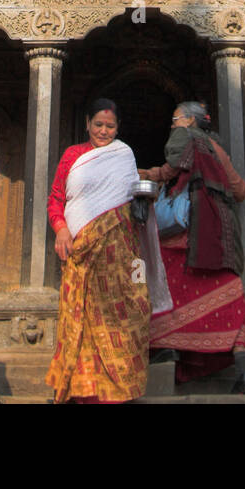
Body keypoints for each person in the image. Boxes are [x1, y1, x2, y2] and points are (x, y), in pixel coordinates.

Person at [46, 98, 169, 404]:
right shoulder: (73, 156)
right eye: (98, 125)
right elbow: (56, 198)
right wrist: (61, 228)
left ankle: (120, 388)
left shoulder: (123, 155)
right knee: (82, 317)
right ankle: (83, 390)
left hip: (120, 250)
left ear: (118, 128)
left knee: (130, 309)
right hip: (80, 249)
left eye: (109, 126)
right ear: (87, 123)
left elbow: (128, 198)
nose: (103, 131)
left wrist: (144, 198)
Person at [140, 102, 245, 393]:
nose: (173, 125)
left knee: (162, 277)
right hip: (221, 233)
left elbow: (171, 168)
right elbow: (241, 191)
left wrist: (147, 174)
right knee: (228, 286)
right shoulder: (218, 148)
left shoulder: (184, 137)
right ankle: (242, 367)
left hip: (191, 228)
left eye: (176, 119)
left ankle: (168, 347)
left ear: (189, 121)